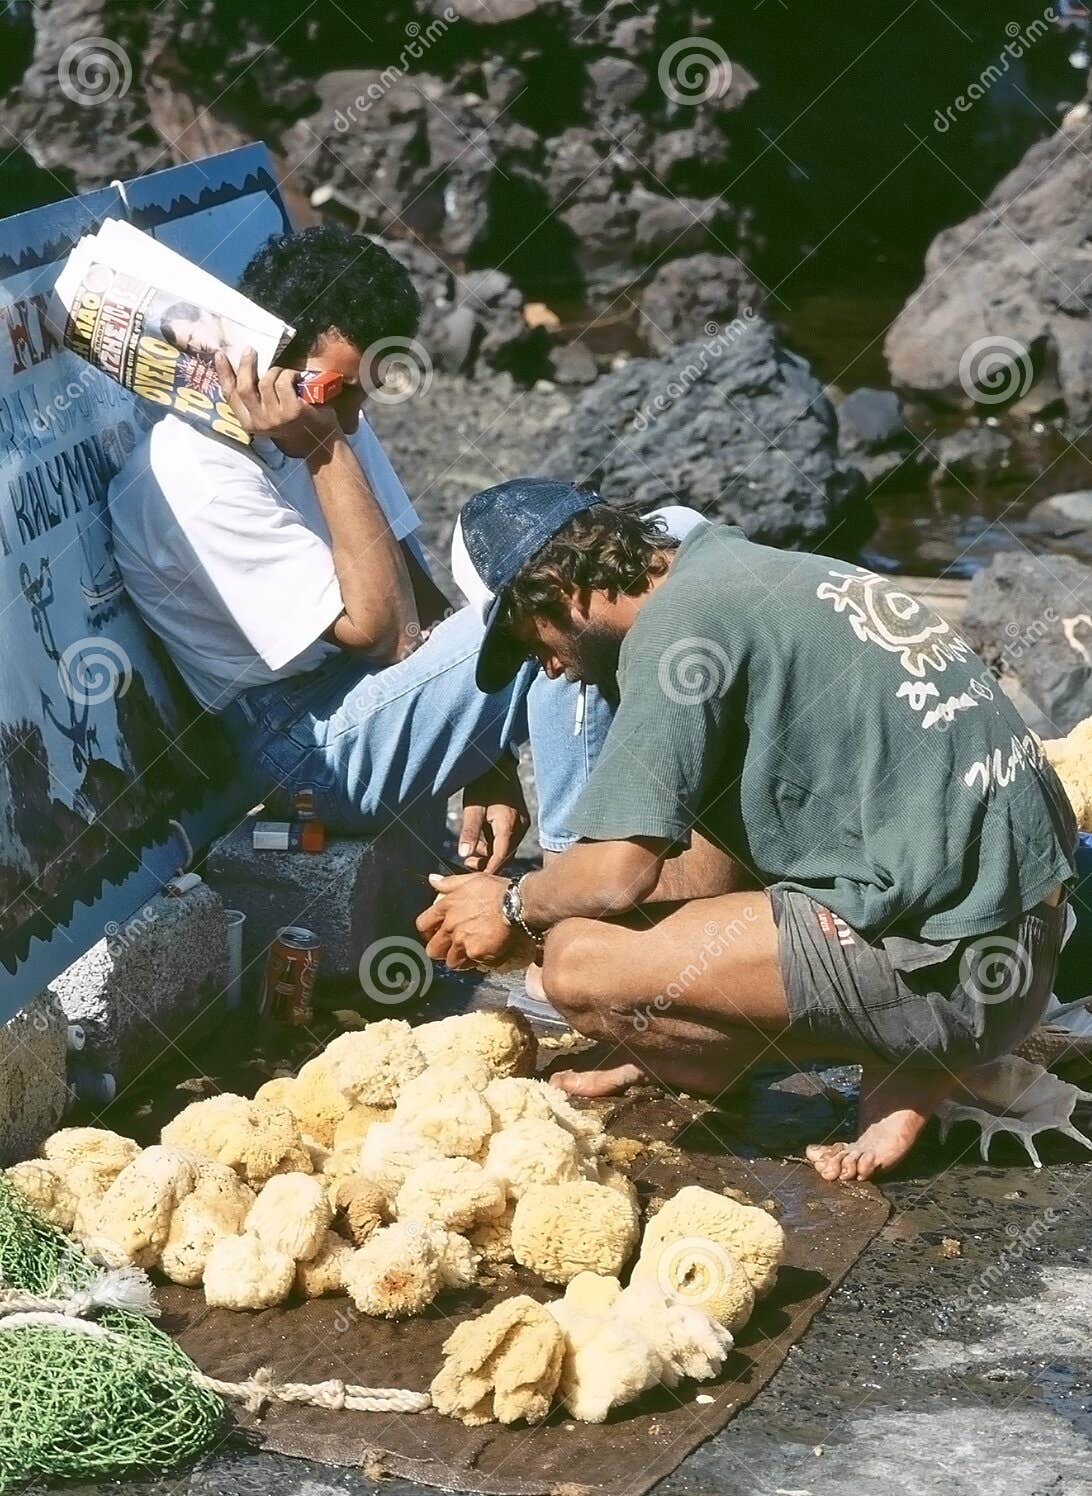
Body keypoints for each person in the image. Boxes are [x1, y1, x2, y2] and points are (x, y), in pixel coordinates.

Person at [418, 478, 1077, 1182]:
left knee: (575, 963)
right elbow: (687, 860)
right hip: (1021, 940)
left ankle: (911, 1057)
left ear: (556, 588)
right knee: (638, 896)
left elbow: (614, 875)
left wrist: (512, 904)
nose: (551, 668)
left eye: (533, 644)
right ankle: (719, 1054)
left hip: (959, 973)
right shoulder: (732, 568)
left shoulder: (678, 629)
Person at [107, 228, 613, 875]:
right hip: (304, 746)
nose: (351, 417)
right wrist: (324, 450)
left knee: (590, 584)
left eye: (364, 393)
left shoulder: (326, 411)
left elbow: (420, 602)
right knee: (564, 609)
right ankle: (580, 887)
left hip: (367, 694)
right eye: (338, 392)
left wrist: (486, 757)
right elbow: (385, 634)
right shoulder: (195, 474)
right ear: (264, 356)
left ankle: (591, 868)